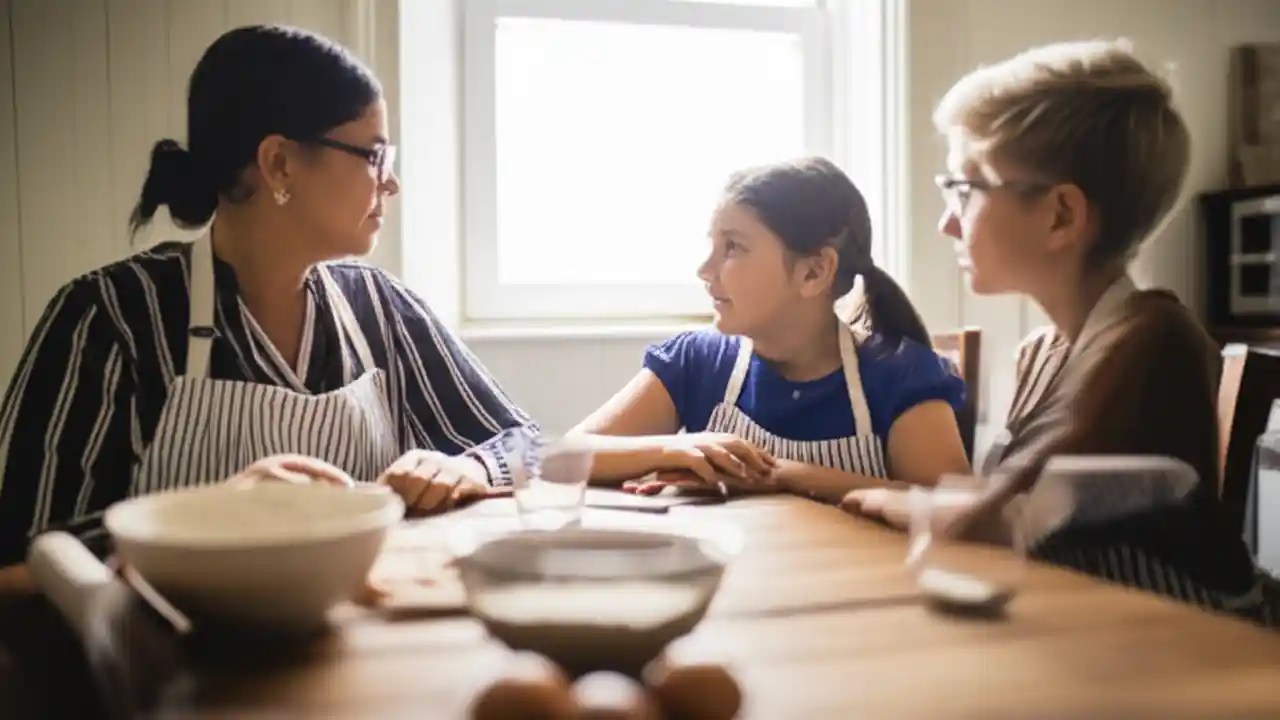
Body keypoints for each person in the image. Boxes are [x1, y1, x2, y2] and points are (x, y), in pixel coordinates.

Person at [0, 25, 534, 586]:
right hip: (178, 665)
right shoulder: (110, 319)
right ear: (279, 164)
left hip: (363, 645)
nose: (391, 182)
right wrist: (207, 518)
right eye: (374, 155)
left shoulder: (383, 309)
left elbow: (524, 445)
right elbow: (18, 561)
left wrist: (465, 465)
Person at [843, 39, 1272, 624]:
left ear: (1060, 216)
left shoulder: (1154, 338)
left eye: (965, 190)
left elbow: (992, 519)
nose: (948, 221)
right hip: (1090, 627)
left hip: (1189, 652)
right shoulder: (1038, 353)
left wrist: (835, 487)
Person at [571, 158, 970, 502]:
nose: (704, 270)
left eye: (733, 248)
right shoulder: (697, 361)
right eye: (712, 245)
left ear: (814, 272)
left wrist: (782, 475)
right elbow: (563, 457)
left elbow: (953, 508)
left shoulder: (900, 374)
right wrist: (675, 447)